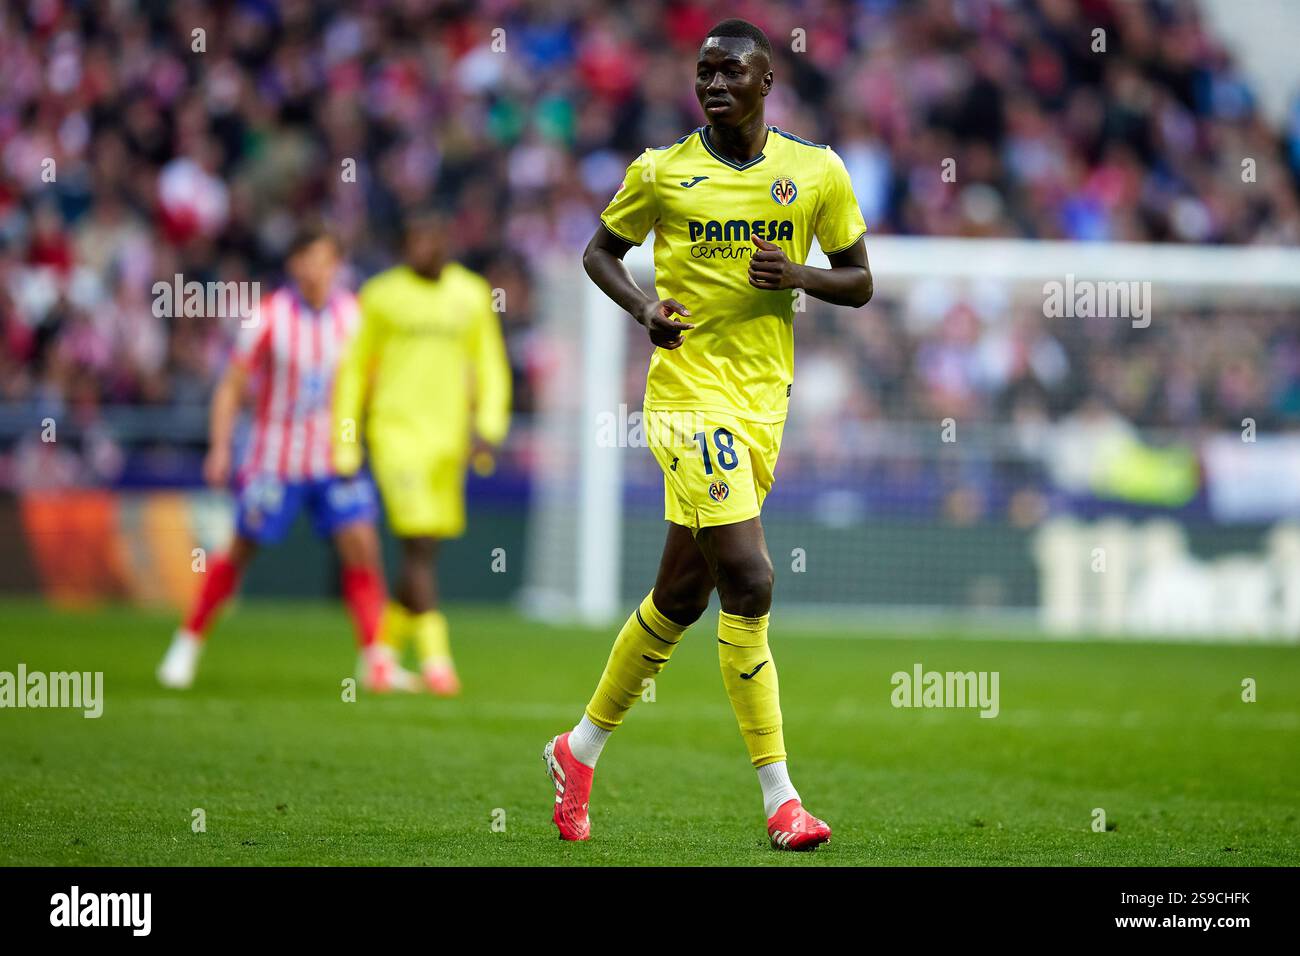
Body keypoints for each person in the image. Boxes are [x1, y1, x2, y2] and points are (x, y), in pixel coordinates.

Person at [544, 18, 873, 850]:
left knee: (680, 597)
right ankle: (781, 799)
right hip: (687, 402)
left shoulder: (816, 173)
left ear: (767, 82)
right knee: (752, 580)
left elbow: (862, 281)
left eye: (731, 73)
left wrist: (797, 275)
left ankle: (575, 751)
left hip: (763, 403)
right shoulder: (662, 173)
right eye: (704, 74)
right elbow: (599, 252)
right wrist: (644, 308)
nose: (715, 85)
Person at [158, 224, 407, 691]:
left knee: (363, 547)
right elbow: (231, 387)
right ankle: (186, 643)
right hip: (276, 459)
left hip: (336, 459)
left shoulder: (354, 317)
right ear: (294, 264)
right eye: (309, 258)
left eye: (326, 259)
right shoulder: (267, 316)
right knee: (240, 549)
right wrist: (219, 446)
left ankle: (376, 659)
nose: (317, 269)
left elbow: (374, 385)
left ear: (337, 265)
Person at [332, 210, 511, 696]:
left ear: (446, 241)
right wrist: (346, 440)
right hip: (395, 435)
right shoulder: (381, 297)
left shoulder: (471, 295)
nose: (425, 248)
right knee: (418, 544)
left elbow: (489, 363)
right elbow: (352, 372)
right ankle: (436, 662)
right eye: (416, 240)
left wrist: (489, 425)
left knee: (426, 544)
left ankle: (382, 657)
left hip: (449, 442)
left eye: (433, 238)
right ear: (404, 245)